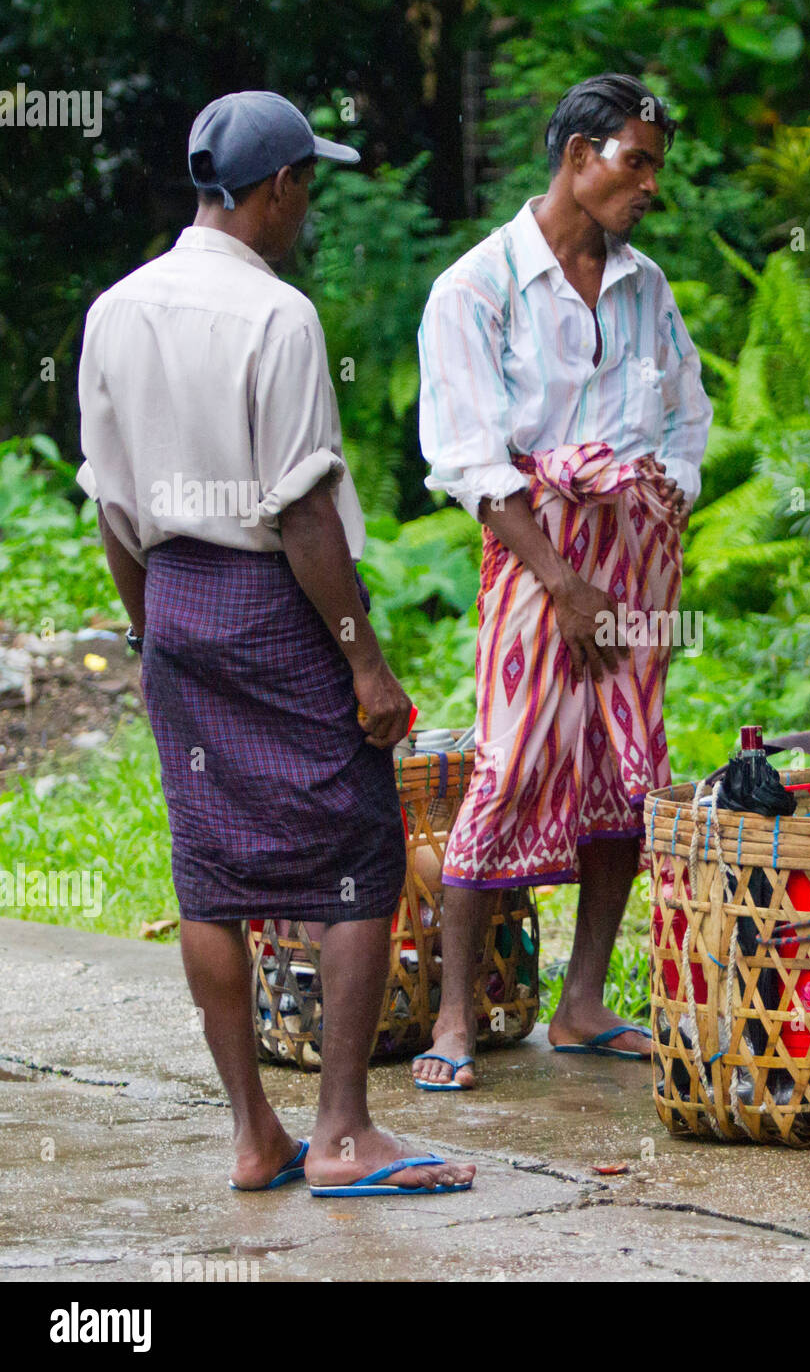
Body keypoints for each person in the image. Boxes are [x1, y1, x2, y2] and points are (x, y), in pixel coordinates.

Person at [77, 91, 475, 1197]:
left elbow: (110, 500)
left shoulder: (117, 309)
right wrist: (363, 659)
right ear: (274, 189)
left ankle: (255, 1135)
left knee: (208, 870)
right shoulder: (278, 317)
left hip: (176, 600)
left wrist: (157, 628)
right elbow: (303, 514)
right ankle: (342, 1132)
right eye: (306, 185)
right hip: (274, 601)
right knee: (357, 846)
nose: (306, 207)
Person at [414, 74, 711, 1090]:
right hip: (532, 555)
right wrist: (562, 582)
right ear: (578, 157)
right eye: (636, 162)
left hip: (635, 561)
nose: (649, 186)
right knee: (510, 765)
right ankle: (452, 1018)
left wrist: (663, 500)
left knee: (625, 773)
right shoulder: (477, 288)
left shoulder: (646, 286)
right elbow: (466, 458)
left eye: (656, 167)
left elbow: (687, 408)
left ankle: (581, 1004)